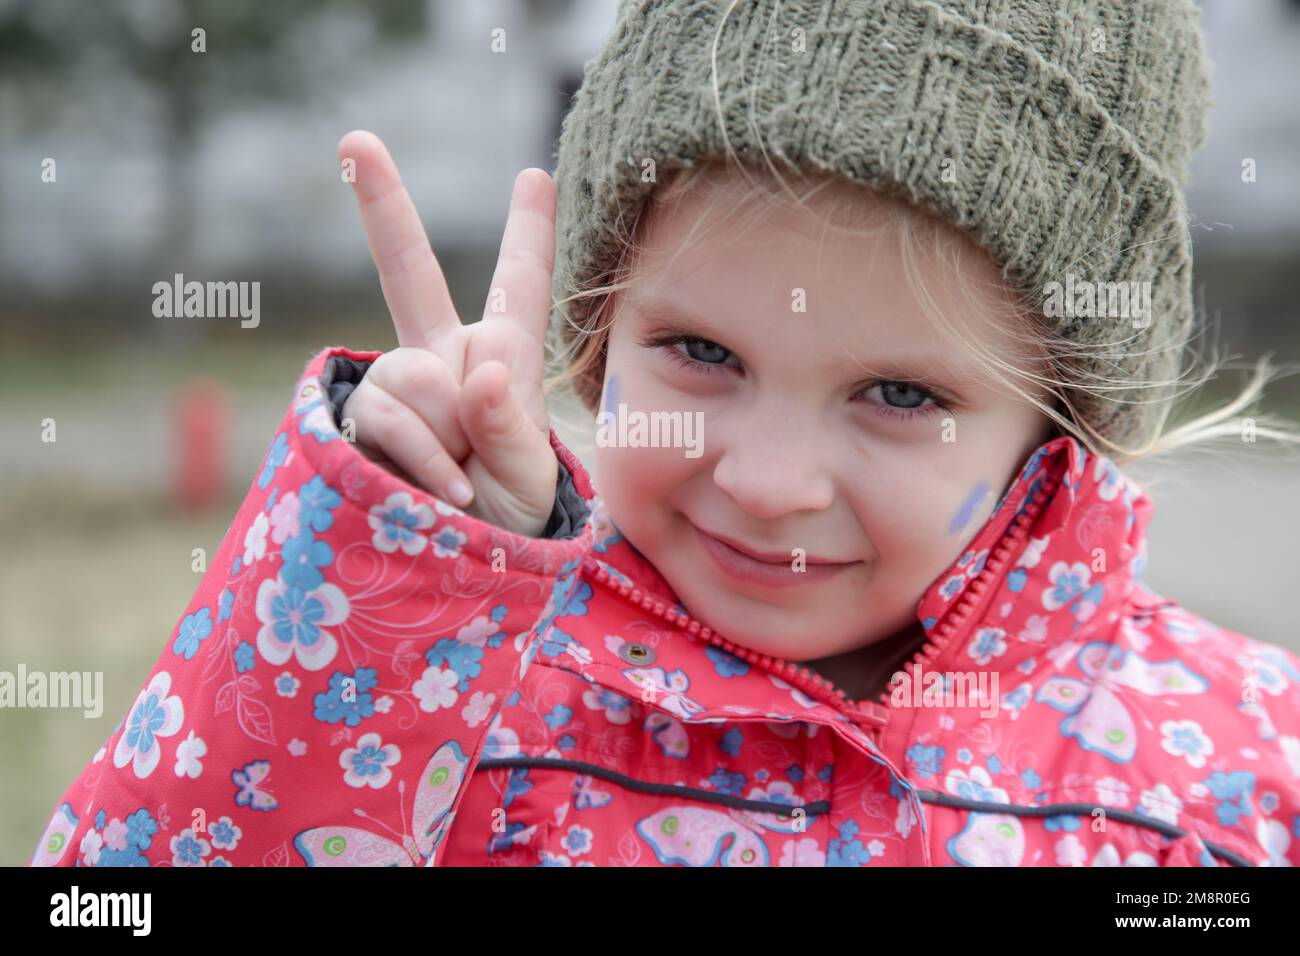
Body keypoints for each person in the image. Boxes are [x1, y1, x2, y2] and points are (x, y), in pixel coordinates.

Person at [32, 0, 1300, 868]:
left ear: (1056, 421)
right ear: (594, 335)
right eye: (702, 354)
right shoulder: (464, 696)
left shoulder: (1234, 778)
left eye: (901, 395)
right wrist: (385, 584)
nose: (765, 481)